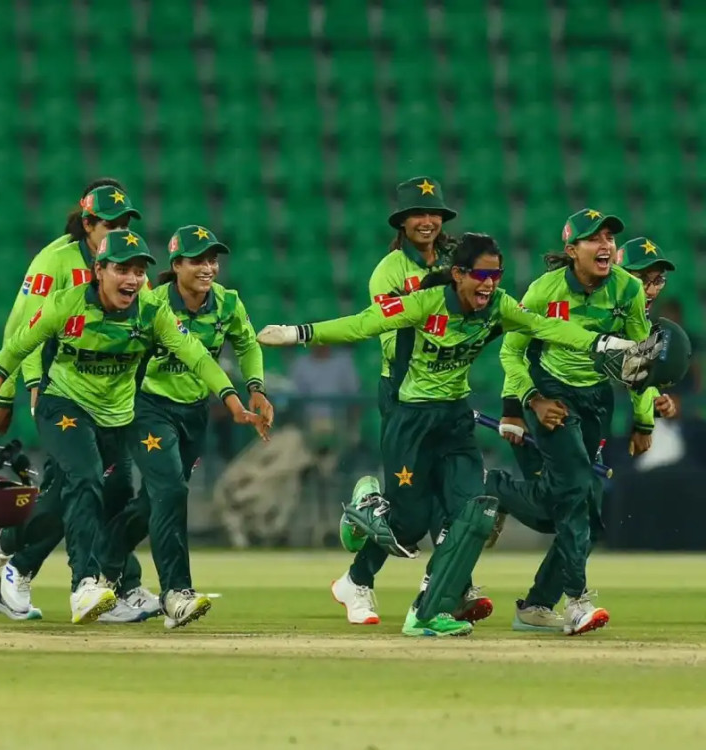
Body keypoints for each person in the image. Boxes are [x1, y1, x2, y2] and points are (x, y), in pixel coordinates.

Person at [258, 232, 636, 636]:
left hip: (455, 420)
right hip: (413, 422)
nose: (490, 284)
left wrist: (604, 343)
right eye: (481, 275)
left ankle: (426, 612)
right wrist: (298, 334)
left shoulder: (498, 307)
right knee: (408, 525)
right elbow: (362, 325)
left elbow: (548, 328)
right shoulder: (425, 303)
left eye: (496, 275)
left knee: (473, 512)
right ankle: (369, 505)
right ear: (457, 274)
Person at [0, 229, 266, 623]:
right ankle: (91, 586)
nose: (131, 279)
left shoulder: (151, 311)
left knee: (74, 495)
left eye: (138, 270)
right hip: (69, 404)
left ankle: (11, 542)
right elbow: (16, 349)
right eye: (122, 269)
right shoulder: (68, 304)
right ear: (98, 270)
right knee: (90, 479)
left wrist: (234, 399)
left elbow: (197, 356)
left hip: (117, 414)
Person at [0, 181, 157, 624]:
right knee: (92, 484)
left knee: (84, 489)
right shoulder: (54, 261)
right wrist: (18, 390)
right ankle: (110, 583)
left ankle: (14, 554)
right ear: (87, 223)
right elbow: (24, 331)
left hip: (110, 398)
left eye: (125, 223)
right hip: (57, 389)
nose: (118, 231)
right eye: (110, 224)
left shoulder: (125, 265)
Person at [487, 211, 674, 635]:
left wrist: (643, 422)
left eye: (609, 237)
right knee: (575, 492)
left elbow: (638, 358)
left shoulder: (626, 288)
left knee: (579, 506)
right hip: (552, 395)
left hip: (596, 401)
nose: (605, 245)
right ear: (572, 252)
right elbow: (509, 353)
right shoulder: (543, 290)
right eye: (594, 239)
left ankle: (535, 604)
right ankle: (576, 602)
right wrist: (531, 400)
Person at [334, 176, 491, 627]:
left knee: (453, 501)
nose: (427, 221)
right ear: (401, 222)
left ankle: (448, 588)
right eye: (418, 215)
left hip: (445, 393)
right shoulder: (388, 271)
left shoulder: (453, 260)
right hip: (403, 391)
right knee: (413, 511)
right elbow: (397, 324)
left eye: (434, 214)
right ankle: (363, 557)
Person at [103, 225, 273, 628]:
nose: (208, 267)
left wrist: (255, 388)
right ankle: (176, 593)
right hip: (148, 406)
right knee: (171, 490)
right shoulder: (150, 302)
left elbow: (247, 344)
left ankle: (103, 560)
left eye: (213, 260)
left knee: (155, 501)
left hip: (194, 412)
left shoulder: (228, 304)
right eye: (198, 260)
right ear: (176, 265)